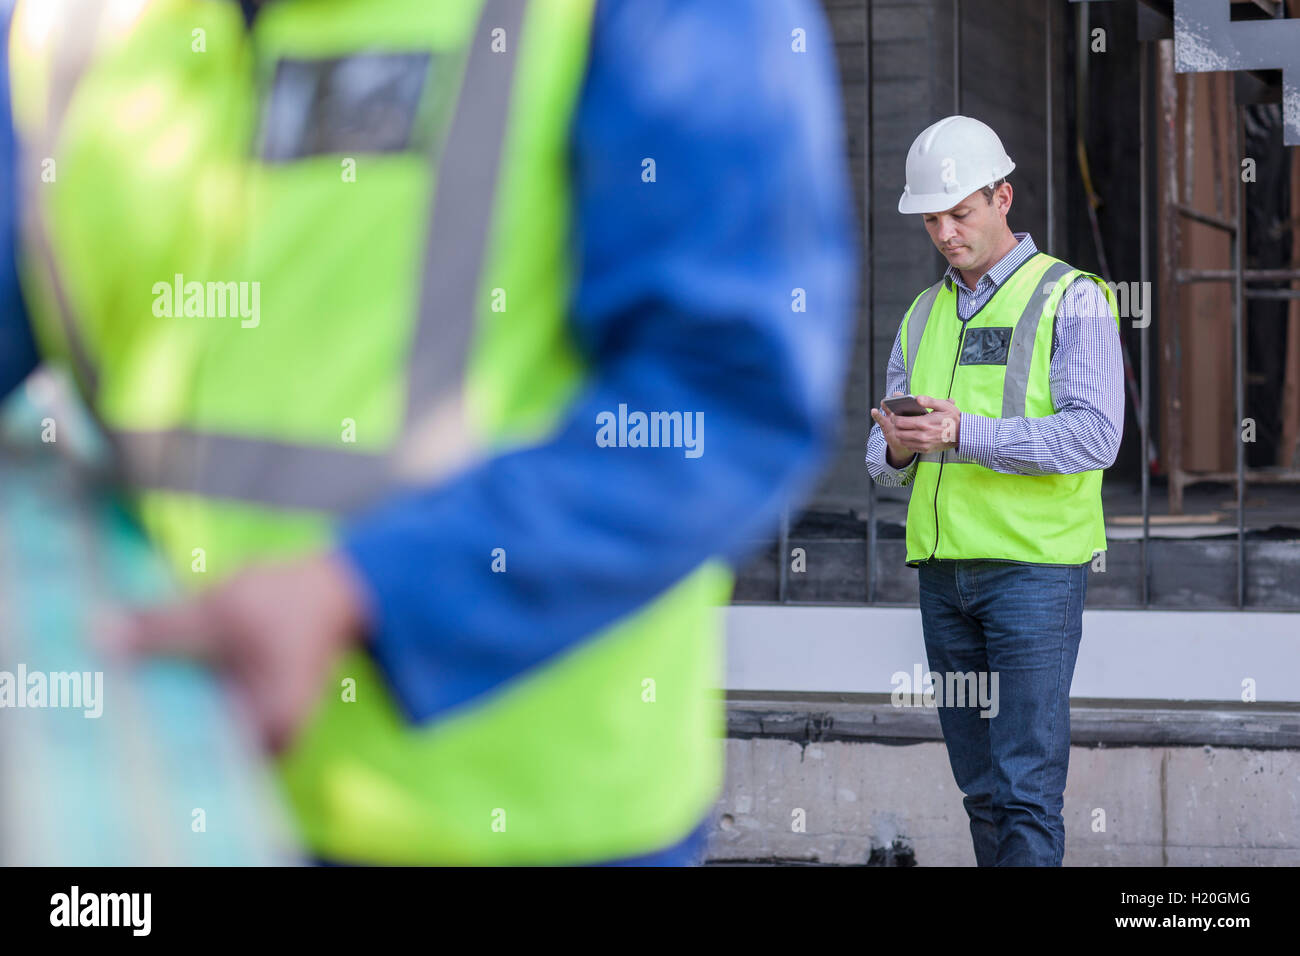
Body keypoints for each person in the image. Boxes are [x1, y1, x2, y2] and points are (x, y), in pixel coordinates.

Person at [0, 0, 855, 865]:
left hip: (516, 827)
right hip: (142, 796)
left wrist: (364, 588)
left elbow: (725, 398)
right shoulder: (69, 20)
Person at [866, 115, 1123, 867]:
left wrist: (961, 434)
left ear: (1003, 196)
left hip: (1032, 576)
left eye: (960, 212)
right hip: (945, 579)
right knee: (980, 787)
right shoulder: (921, 315)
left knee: (1025, 791)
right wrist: (898, 445)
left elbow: (1094, 437)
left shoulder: (1072, 298)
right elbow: (881, 454)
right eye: (932, 218)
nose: (945, 232)